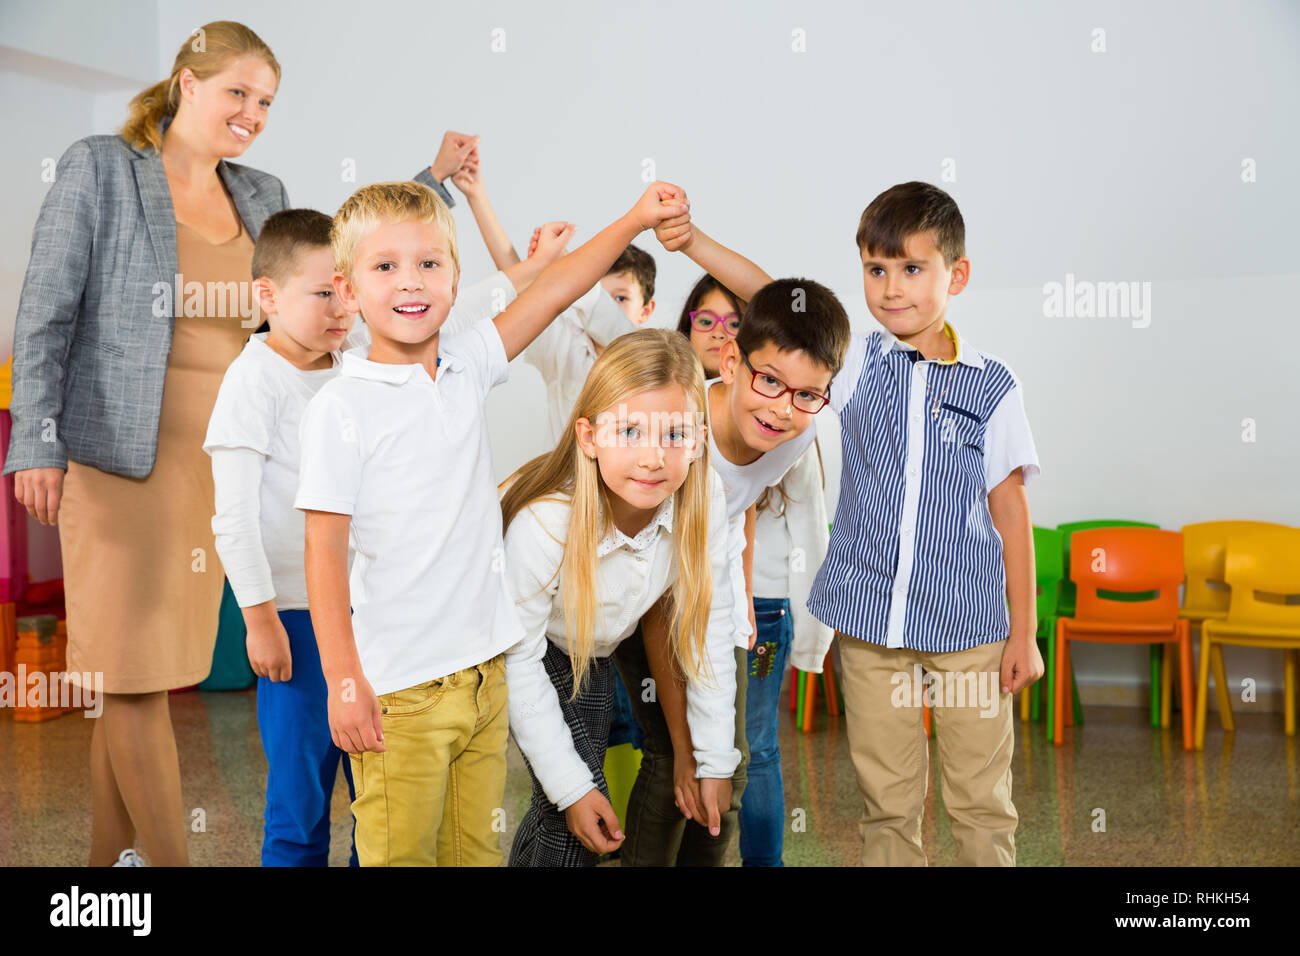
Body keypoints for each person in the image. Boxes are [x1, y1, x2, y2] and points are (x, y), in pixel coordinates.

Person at [294, 177, 690, 866]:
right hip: (402, 693)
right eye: (385, 266)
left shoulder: (465, 364)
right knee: (402, 857)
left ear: (455, 278)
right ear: (349, 291)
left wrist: (632, 218)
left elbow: (559, 286)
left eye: (429, 263)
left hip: (483, 676)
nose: (410, 282)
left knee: (473, 853)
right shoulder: (342, 407)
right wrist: (344, 680)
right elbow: (322, 551)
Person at [677, 181, 1044, 866]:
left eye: (911, 268)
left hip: (968, 631)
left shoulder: (992, 385)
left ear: (955, 275)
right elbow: (772, 294)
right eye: (876, 270)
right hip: (871, 632)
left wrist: (1023, 633)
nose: (891, 287)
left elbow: (1012, 513)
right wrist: (693, 240)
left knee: (980, 803)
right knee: (888, 805)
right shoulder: (854, 367)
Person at [202, 207, 554, 866]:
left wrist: (527, 271)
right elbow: (233, 517)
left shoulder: (355, 358)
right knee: (301, 802)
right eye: (323, 294)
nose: (341, 308)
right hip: (297, 620)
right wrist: (259, 618)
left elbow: (446, 301)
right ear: (267, 296)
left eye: (345, 293)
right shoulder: (254, 379)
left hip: (369, 619)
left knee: (379, 796)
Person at [612, 203, 852, 866]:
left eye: (807, 393)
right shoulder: (681, 437)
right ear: (729, 360)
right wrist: (693, 755)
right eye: (769, 381)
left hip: (702, 592)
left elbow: (738, 506)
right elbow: (660, 608)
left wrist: (742, 603)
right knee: (675, 768)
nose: (783, 406)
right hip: (624, 601)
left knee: (732, 775)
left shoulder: (794, 430)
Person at [501, 329, 739, 866]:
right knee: (571, 808)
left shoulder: (704, 499)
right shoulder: (546, 522)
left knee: (563, 813)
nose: (654, 458)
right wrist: (571, 788)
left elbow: (710, 630)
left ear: (700, 438)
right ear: (588, 437)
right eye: (630, 431)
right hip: (527, 654)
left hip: (596, 649)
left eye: (675, 434)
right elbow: (520, 661)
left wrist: (715, 759)